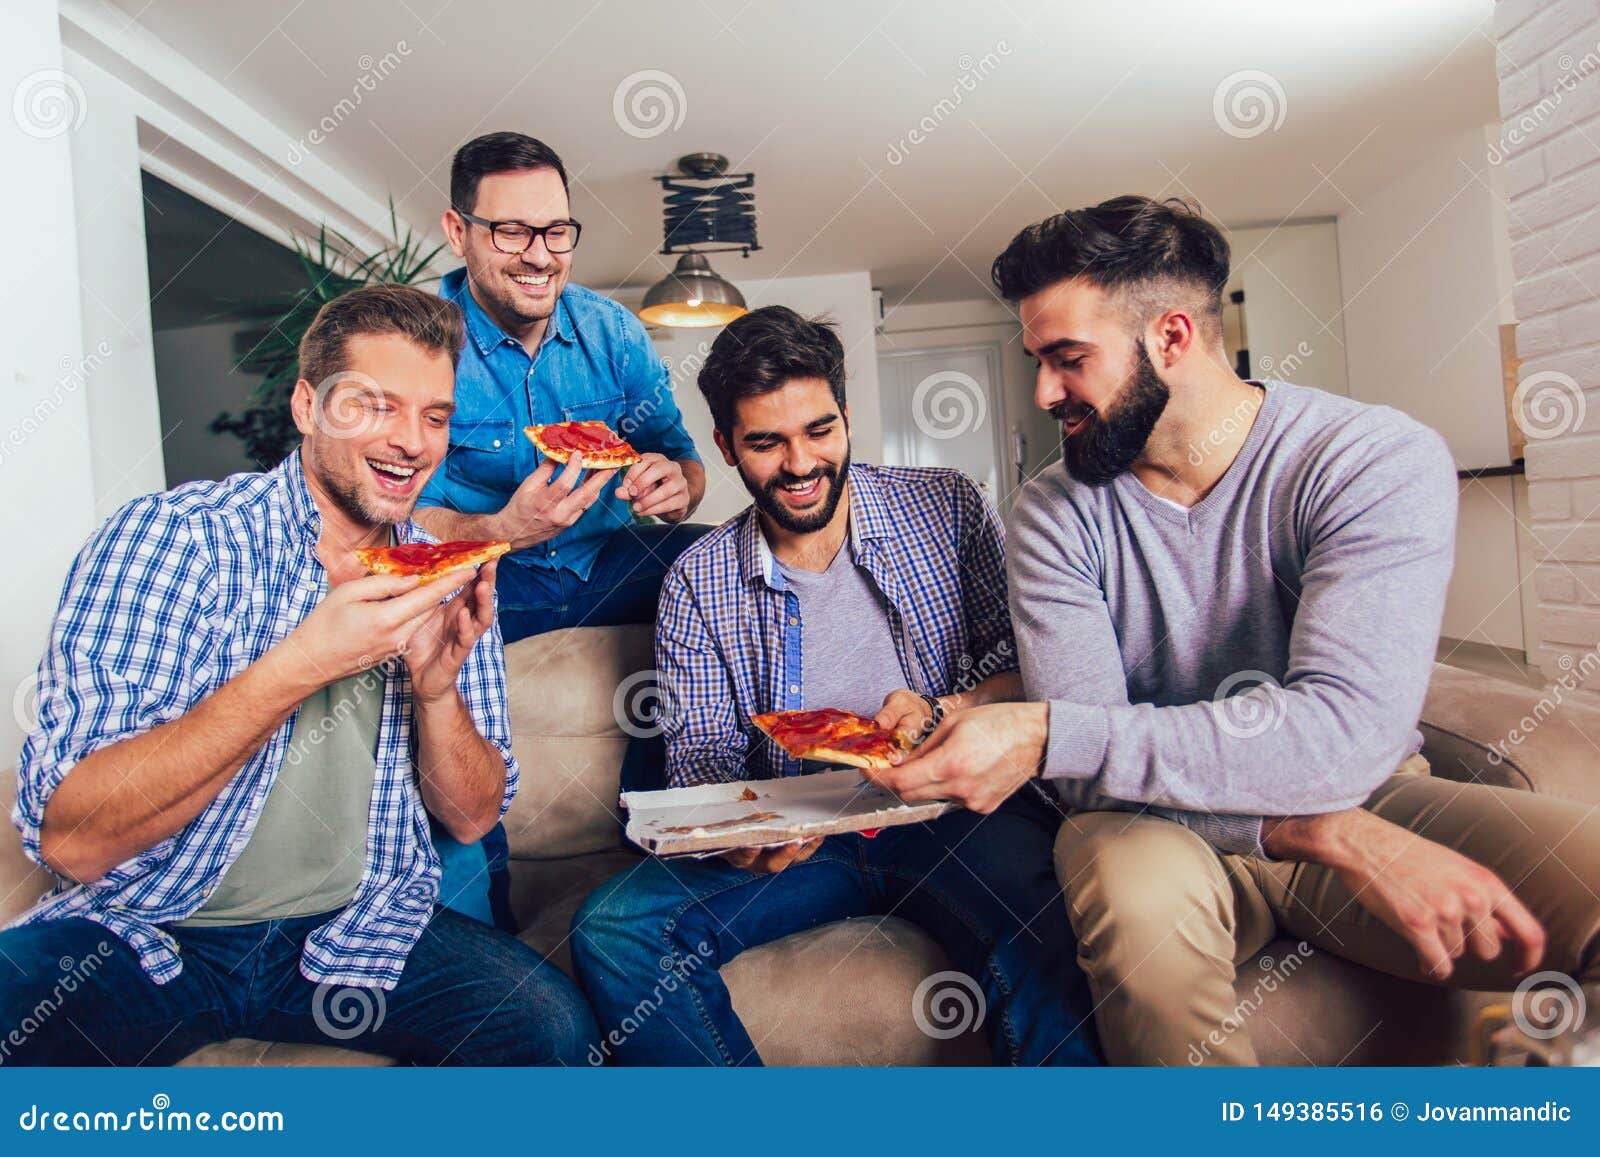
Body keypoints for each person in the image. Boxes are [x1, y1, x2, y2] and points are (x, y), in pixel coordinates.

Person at [872, 196, 1600, 1065]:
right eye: (1038, 360)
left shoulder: (1368, 459)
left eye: (1068, 359)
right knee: (1128, 887)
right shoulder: (1052, 513)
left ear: (1172, 337)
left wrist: (1060, 734)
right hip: (1157, 826)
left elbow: (1341, 736)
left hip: (1371, 793)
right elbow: (1086, 776)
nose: (1043, 392)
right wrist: (1314, 832)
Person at [0, 285, 597, 1066]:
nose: (413, 442)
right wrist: (304, 661)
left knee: (550, 1028)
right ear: (308, 406)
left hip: (353, 926)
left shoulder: (444, 572)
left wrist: (435, 691)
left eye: (435, 416)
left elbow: (473, 817)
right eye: (376, 405)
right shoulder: (173, 540)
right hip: (148, 925)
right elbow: (75, 842)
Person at [568, 306, 1098, 1066]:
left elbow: (1030, 672)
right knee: (614, 929)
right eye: (766, 442)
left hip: (950, 807)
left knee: (1047, 922)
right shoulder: (696, 579)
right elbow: (702, 759)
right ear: (724, 447)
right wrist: (743, 836)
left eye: (819, 431)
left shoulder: (946, 506)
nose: (800, 463)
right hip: (802, 828)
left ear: (846, 416)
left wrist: (944, 710)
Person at [414, 131, 709, 644]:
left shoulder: (614, 333)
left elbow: (681, 458)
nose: (540, 257)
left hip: (609, 564)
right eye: (511, 231)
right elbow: (405, 520)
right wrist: (503, 530)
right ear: (458, 232)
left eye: (556, 231)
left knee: (734, 559)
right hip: (492, 578)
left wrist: (677, 489)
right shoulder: (417, 347)